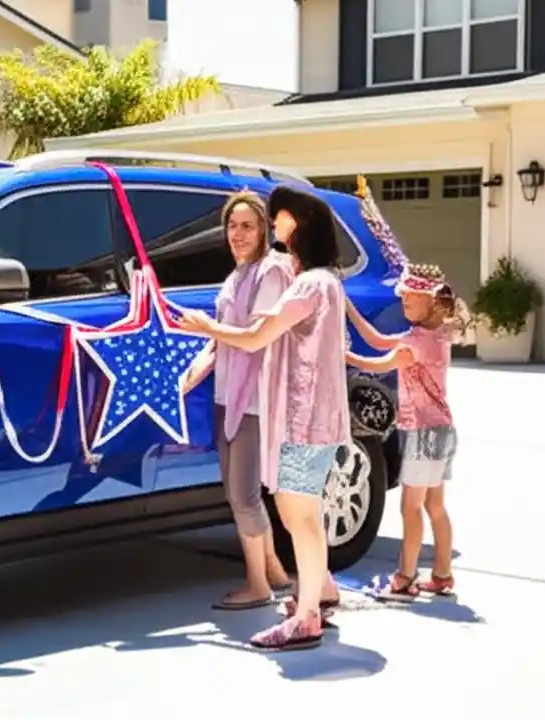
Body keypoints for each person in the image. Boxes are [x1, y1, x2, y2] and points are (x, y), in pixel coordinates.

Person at [178, 184, 350, 651]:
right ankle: (320, 595)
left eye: (280, 219)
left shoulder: (311, 283)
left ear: (302, 225)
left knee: (299, 517)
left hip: (302, 420)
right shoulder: (324, 282)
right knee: (303, 515)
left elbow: (256, 337)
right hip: (312, 419)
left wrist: (207, 327)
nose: (275, 226)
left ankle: (307, 617)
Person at [181, 191, 294, 610]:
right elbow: (222, 337)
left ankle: (258, 585)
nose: (238, 234)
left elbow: (253, 338)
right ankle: (276, 572)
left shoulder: (272, 274)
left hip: (256, 400)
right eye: (232, 226)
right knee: (237, 494)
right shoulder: (236, 276)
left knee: (244, 494)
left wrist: (207, 328)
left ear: (264, 229)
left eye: (247, 225)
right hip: (227, 396)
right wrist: (199, 366)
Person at [344, 264, 465, 600]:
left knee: (410, 507)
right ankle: (441, 574)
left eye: (412, 297)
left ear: (430, 301)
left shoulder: (416, 343)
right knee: (435, 506)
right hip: (441, 429)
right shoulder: (434, 335)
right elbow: (378, 340)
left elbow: (376, 361)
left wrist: (341, 354)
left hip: (423, 434)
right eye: (404, 296)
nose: (405, 301)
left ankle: (404, 578)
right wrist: (348, 307)